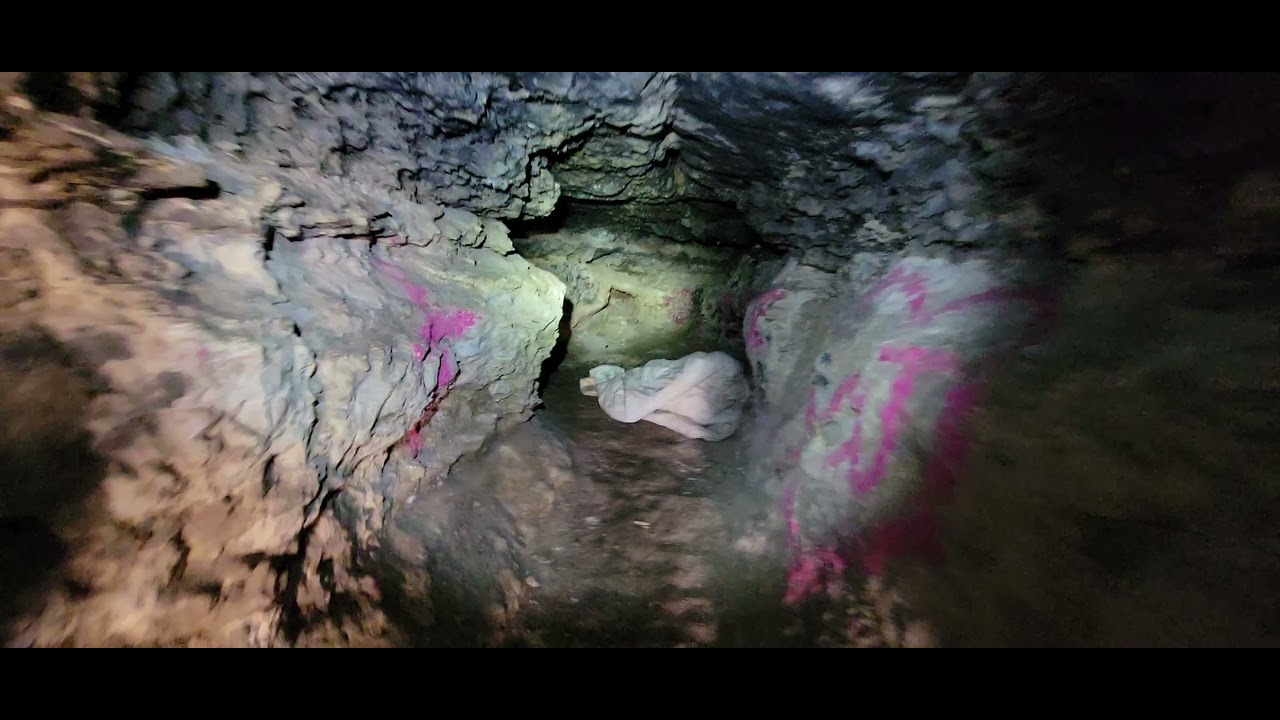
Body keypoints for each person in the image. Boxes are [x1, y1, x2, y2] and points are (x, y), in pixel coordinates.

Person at [579, 351, 749, 441]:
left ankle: (609, 388)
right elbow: (700, 366)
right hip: (656, 382)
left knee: (624, 412)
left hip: (648, 402)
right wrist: (646, 407)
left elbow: (680, 424)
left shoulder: (728, 420)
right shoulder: (729, 369)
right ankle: (611, 385)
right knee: (630, 403)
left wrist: (644, 413)